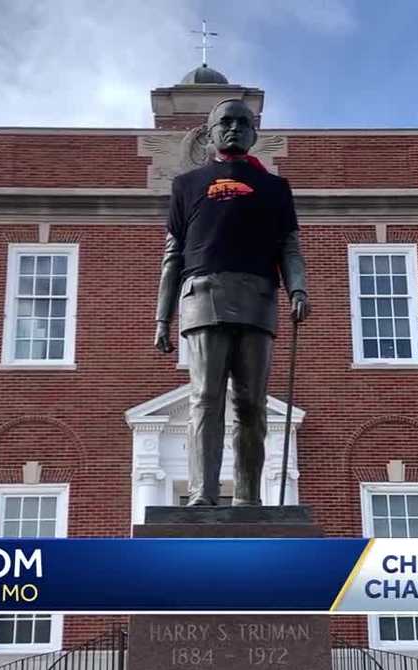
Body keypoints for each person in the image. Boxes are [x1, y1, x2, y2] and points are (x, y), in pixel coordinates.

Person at [153, 98, 309, 506]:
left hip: (258, 298)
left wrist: (298, 289)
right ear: (211, 131)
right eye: (226, 122)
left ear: (255, 133)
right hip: (202, 296)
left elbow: (289, 248)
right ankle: (202, 495)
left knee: (251, 405)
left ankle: (247, 498)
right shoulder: (186, 185)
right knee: (204, 397)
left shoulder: (275, 188)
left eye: (243, 122)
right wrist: (161, 318)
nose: (235, 128)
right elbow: (173, 255)